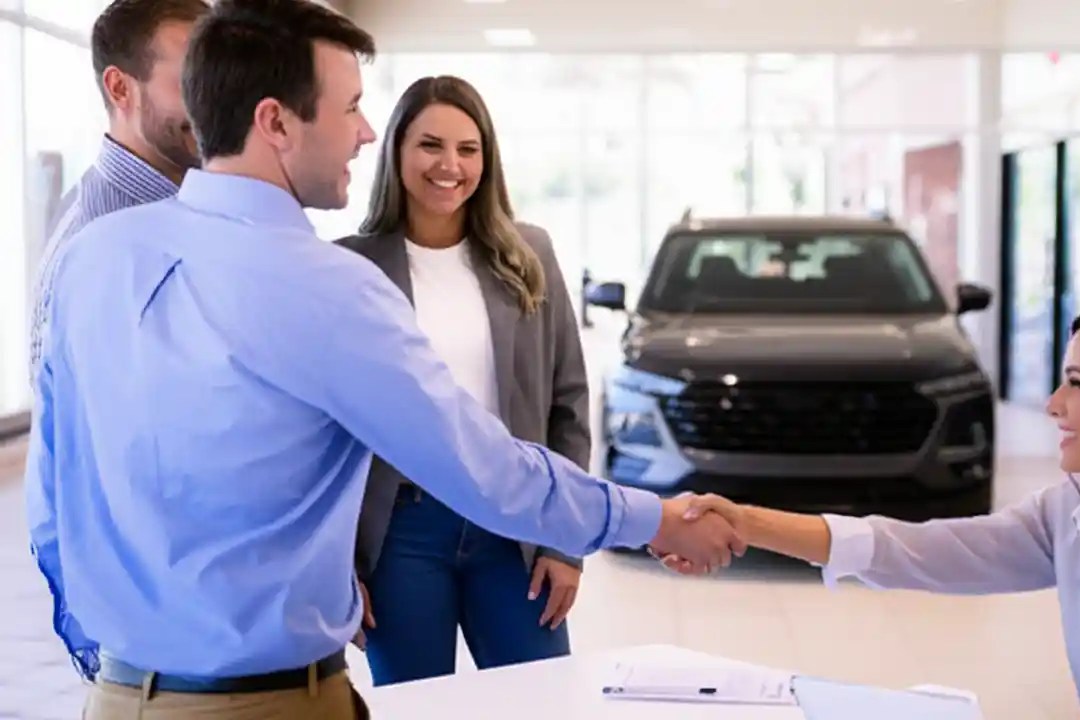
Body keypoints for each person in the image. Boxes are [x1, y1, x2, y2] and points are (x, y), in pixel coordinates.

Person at [25, 1, 742, 718]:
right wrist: (655, 520)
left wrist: (114, 671)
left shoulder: (91, 256)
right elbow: (486, 467)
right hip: (266, 704)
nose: (366, 133)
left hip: (115, 696)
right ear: (275, 122)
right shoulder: (327, 285)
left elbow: (51, 496)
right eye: (352, 109)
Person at [670, 294, 1080, 720]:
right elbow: (913, 550)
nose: (1053, 404)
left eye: (1078, 383)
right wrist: (746, 521)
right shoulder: (1075, 516)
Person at [337, 76, 588, 684]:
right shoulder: (351, 266)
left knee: (542, 701)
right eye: (430, 145)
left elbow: (569, 404)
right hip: (401, 536)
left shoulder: (529, 255)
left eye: (467, 149)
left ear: (486, 159)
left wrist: (564, 542)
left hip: (515, 528)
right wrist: (337, 566)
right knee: (415, 706)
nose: (450, 165)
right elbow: (328, 433)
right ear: (397, 150)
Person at [28, 0, 208, 384]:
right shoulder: (101, 237)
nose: (211, 106)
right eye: (191, 82)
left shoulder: (174, 211)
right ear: (120, 88)